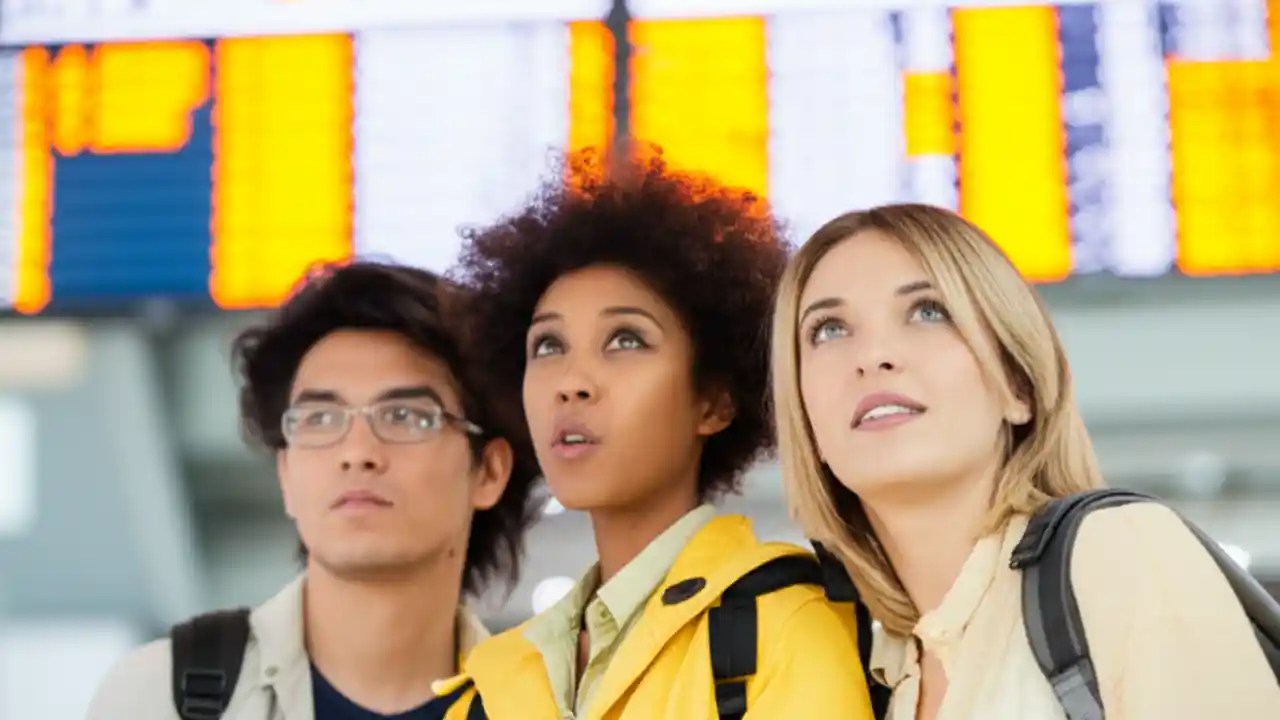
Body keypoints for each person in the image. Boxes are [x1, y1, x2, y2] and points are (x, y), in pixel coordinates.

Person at [769, 203, 1280, 719]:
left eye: (929, 311)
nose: (872, 355)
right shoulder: (879, 679)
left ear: (1018, 385)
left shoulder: (1117, 552)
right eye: (829, 329)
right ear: (805, 418)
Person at [441, 150, 876, 720]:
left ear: (715, 402)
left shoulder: (786, 626)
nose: (571, 383)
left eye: (625, 340)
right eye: (547, 346)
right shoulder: (486, 690)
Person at [87, 261, 541, 720]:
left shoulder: (551, 708)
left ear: (489, 471)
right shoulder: (157, 697)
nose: (358, 452)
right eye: (320, 420)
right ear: (286, 474)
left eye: (405, 416)